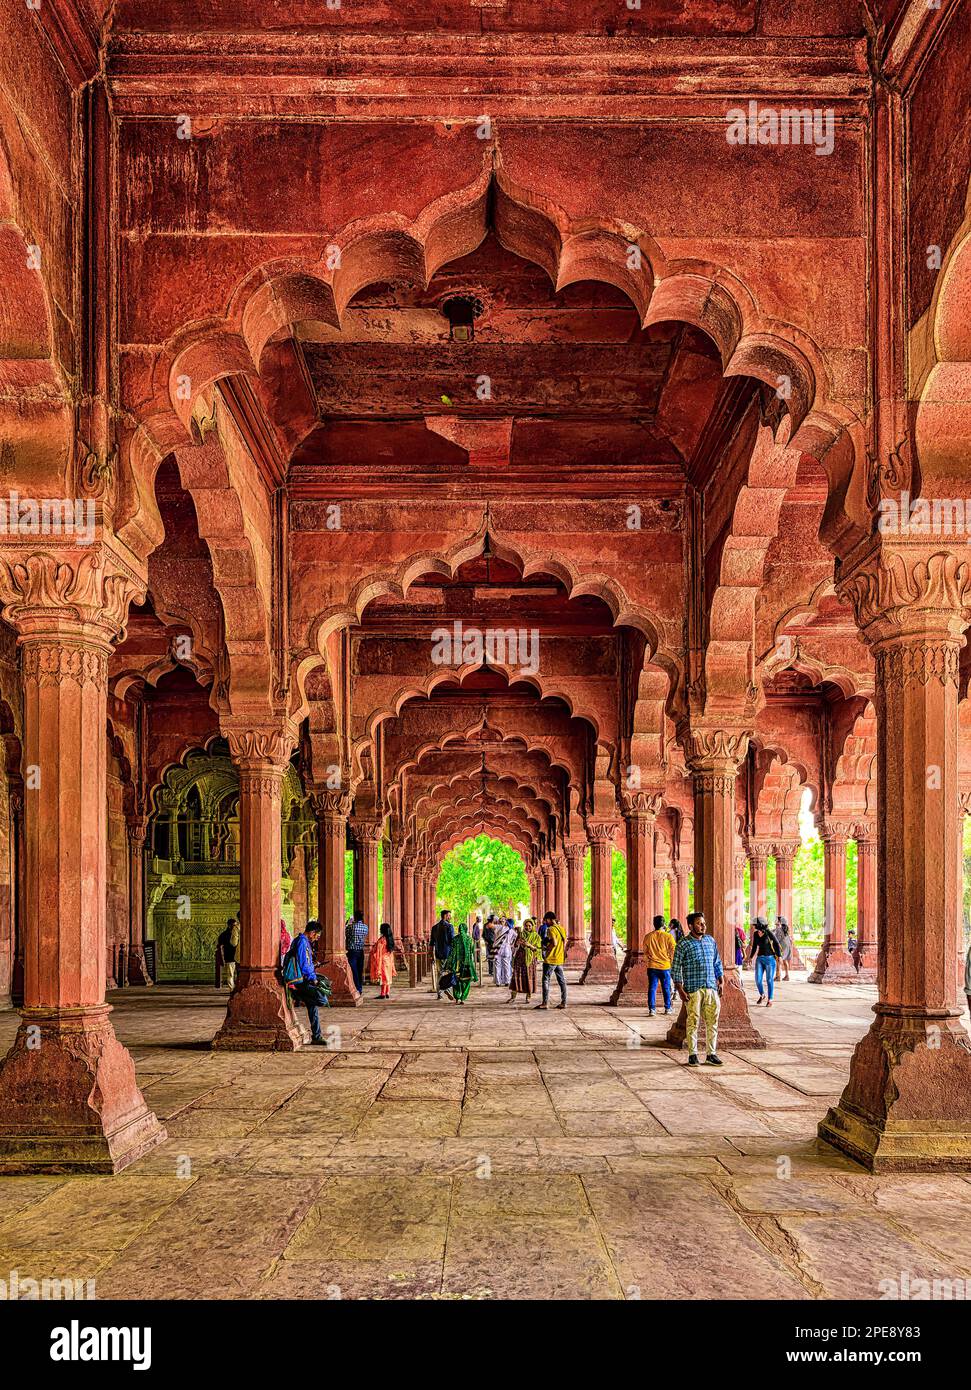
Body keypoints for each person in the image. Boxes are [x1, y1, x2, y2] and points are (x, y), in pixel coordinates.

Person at [671, 911, 723, 1066]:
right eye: (699, 923)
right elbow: (675, 968)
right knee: (693, 1022)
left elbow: (717, 962)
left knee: (712, 1022)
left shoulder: (710, 941)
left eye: (704, 923)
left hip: (711, 987)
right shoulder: (683, 944)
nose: (703, 926)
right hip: (693, 989)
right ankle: (693, 1054)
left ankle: (711, 1054)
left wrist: (721, 980)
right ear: (690, 926)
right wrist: (680, 989)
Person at [283, 920, 330, 1044]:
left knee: (312, 1006)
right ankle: (296, 995)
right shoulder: (303, 942)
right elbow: (304, 964)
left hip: (302, 977)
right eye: (317, 936)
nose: (316, 939)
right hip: (301, 980)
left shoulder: (299, 940)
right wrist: (313, 978)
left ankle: (317, 1035)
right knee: (322, 999)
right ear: (312, 933)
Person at [644, 917, 676, 1015]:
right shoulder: (668, 936)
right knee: (666, 988)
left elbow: (645, 952)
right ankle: (668, 1008)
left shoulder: (648, 937)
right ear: (663, 924)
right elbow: (674, 951)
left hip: (652, 966)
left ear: (654, 924)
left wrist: (649, 960)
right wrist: (671, 961)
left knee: (652, 988)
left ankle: (652, 1009)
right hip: (665, 966)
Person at [536, 910, 567, 1010]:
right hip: (559, 958)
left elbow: (554, 943)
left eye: (546, 920)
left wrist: (546, 949)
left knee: (545, 980)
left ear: (549, 919)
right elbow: (563, 942)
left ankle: (545, 1003)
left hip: (551, 959)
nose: (545, 922)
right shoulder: (561, 928)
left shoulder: (551, 929)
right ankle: (564, 1002)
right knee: (562, 981)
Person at [749, 915, 781, 1007]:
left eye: (755, 924)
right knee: (758, 980)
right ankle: (762, 995)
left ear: (760, 925)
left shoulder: (768, 933)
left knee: (769, 979)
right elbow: (755, 946)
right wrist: (750, 957)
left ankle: (770, 999)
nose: (754, 926)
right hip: (760, 959)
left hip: (770, 959)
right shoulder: (755, 934)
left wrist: (779, 956)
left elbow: (776, 943)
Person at [443, 921, 478, 1003]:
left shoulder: (455, 939)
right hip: (467, 964)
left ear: (458, 930)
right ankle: (463, 998)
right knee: (466, 981)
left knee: (457, 981)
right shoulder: (469, 939)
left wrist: (448, 964)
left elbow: (452, 953)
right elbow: (472, 952)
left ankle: (457, 997)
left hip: (457, 964)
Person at [509, 917, 542, 1002]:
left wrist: (529, 945)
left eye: (529, 926)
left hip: (530, 960)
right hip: (519, 959)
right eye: (526, 926)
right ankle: (513, 997)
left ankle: (528, 996)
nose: (527, 928)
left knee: (529, 977)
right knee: (516, 976)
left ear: (533, 926)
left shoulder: (536, 937)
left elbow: (538, 950)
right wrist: (518, 943)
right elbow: (515, 946)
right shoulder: (521, 934)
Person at [430, 908, 455, 999]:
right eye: (449, 915)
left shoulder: (434, 927)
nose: (450, 917)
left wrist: (431, 955)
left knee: (439, 973)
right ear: (445, 916)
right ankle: (446, 989)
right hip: (447, 954)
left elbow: (431, 943)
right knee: (449, 973)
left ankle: (439, 993)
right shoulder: (449, 927)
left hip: (437, 954)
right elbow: (452, 941)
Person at [369, 922, 397, 1000]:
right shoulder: (390, 940)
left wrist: (373, 952)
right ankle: (387, 992)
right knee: (388, 976)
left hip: (383, 960)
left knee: (383, 977)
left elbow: (377, 951)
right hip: (389, 960)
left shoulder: (382, 940)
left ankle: (382, 993)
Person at [344, 908, 369, 995]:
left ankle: (356, 987)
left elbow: (345, 934)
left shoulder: (350, 927)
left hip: (352, 952)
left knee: (353, 970)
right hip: (360, 951)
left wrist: (347, 923)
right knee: (359, 970)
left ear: (354, 917)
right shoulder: (365, 927)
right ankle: (360, 988)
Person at [217, 915, 240, 990]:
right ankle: (232, 989)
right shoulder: (224, 935)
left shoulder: (233, 933)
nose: (235, 927)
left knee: (238, 974)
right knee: (230, 974)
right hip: (230, 957)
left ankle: (236, 988)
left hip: (237, 956)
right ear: (229, 925)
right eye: (234, 925)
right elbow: (220, 946)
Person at [492, 916, 515, 988]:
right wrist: (511, 943)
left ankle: (498, 982)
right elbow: (516, 937)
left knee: (497, 965)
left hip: (497, 948)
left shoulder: (497, 928)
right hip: (507, 948)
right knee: (506, 965)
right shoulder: (511, 930)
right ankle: (507, 981)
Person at [776, 916, 794, 981]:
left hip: (782, 946)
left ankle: (778, 976)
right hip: (788, 945)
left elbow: (777, 939)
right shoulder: (788, 929)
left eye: (778, 921)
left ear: (780, 922)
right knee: (785, 960)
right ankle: (787, 975)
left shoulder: (779, 929)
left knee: (778, 960)